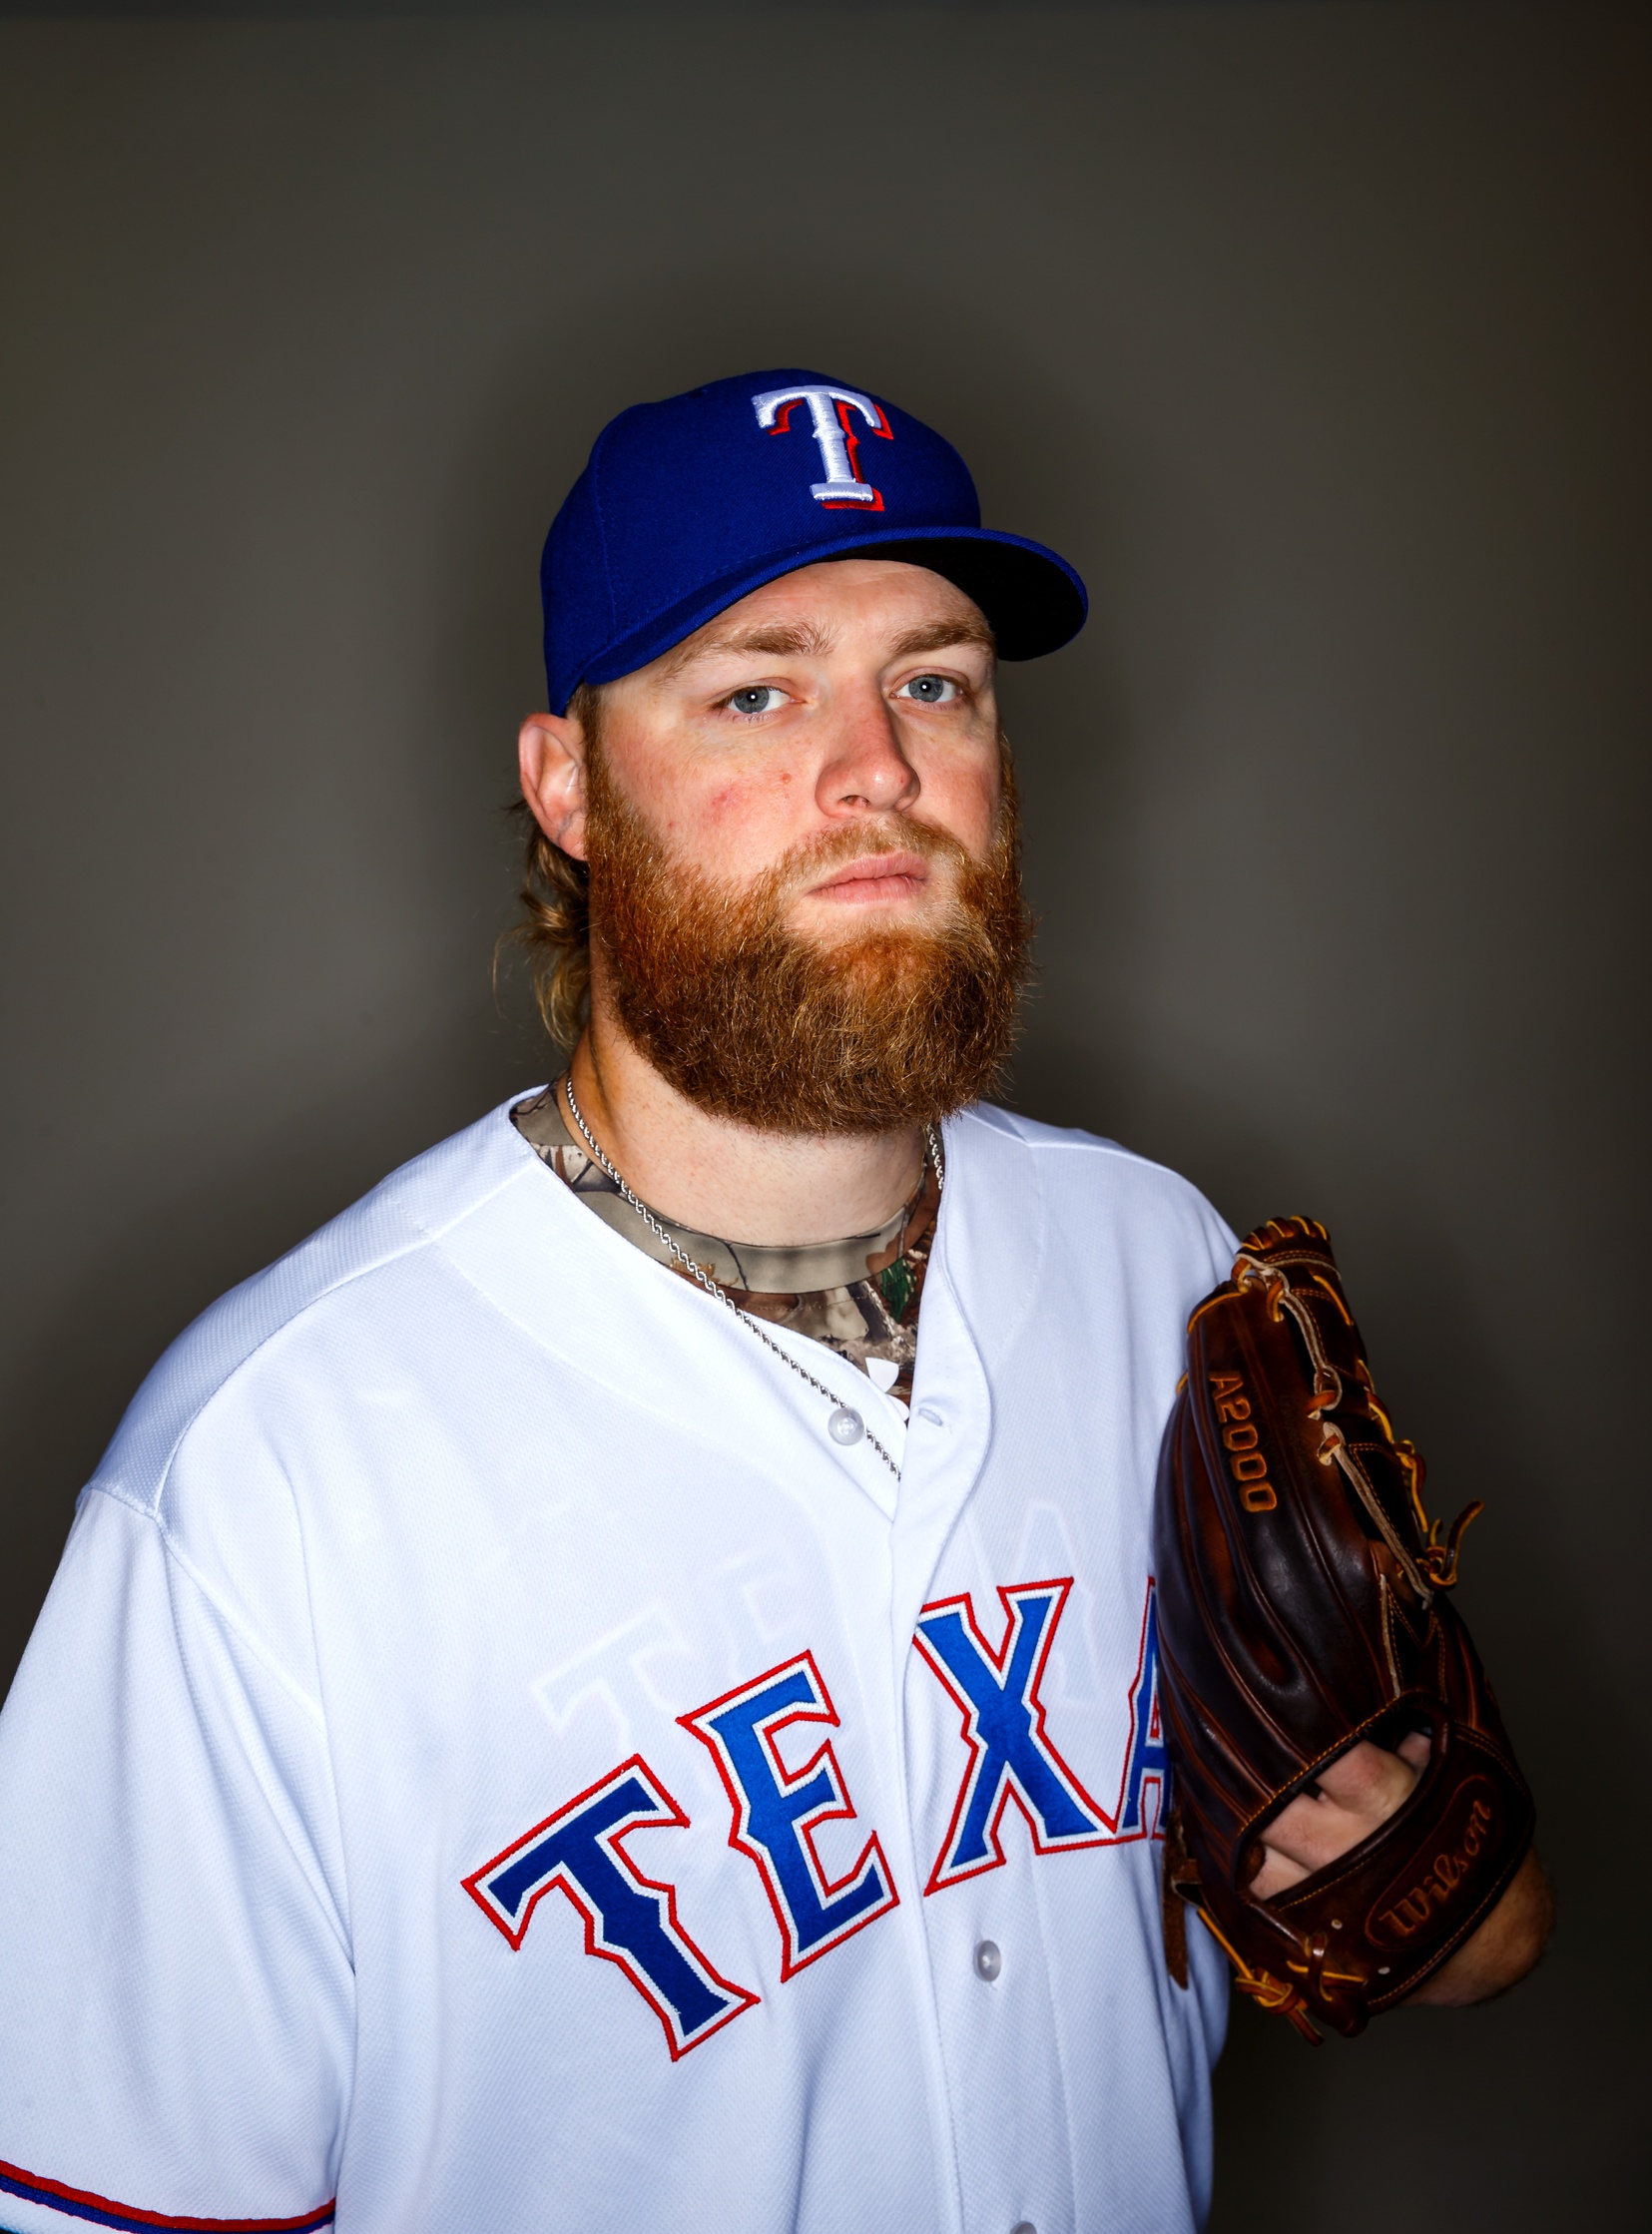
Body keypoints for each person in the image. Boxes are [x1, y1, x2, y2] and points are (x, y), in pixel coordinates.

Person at [0, 371, 1547, 2234]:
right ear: (569, 786)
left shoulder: (1163, 1261)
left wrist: (1441, 1879)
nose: (877, 764)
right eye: (759, 688)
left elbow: (1461, 1906)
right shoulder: (266, 1473)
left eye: (936, 681)